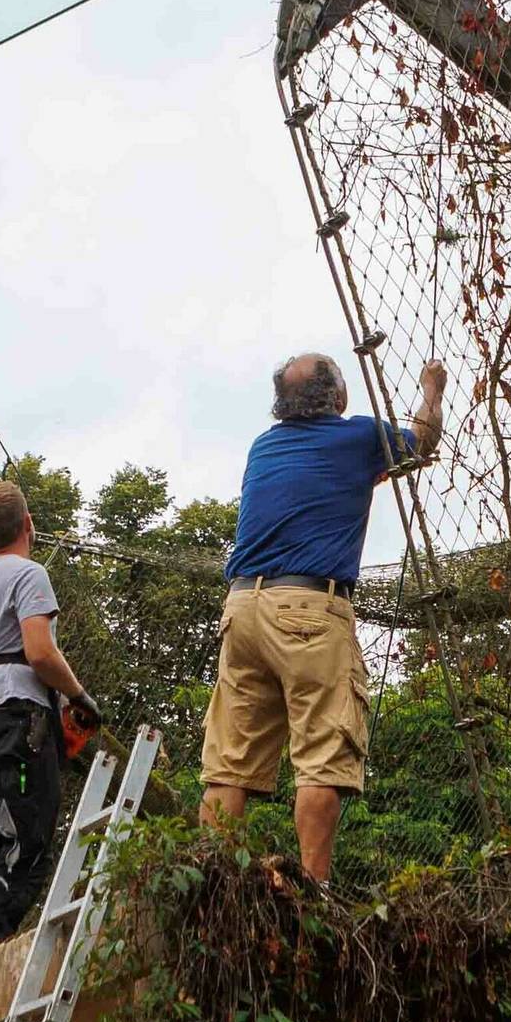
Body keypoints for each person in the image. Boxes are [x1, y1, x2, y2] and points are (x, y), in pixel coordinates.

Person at [199, 351, 447, 885]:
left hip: (241, 610)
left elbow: (320, 483)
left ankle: (213, 888)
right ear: (338, 400)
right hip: (308, 612)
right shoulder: (356, 438)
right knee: (322, 755)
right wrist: (432, 389)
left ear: (280, 405)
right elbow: (423, 442)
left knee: (229, 763)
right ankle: (314, 890)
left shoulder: (262, 448)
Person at [0, 479, 102, 955]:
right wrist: (79, 698)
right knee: (27, 838)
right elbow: (40, 653)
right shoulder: (29, 576)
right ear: (28, 524)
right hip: (23, 723)